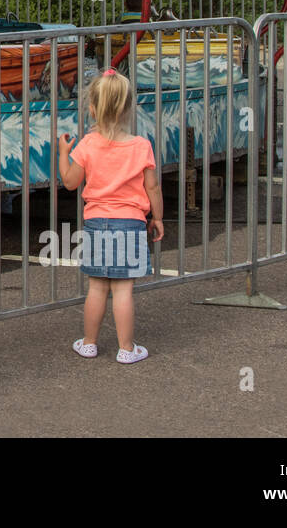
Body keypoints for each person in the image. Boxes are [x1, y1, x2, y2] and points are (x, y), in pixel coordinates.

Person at [56, 69, 164, 364]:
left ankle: (89, 342)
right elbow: (152, 187)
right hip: (130, 221)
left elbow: (69, 182)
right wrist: (158, 218)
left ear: (92, 108)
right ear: (129, 107)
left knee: (97, 287)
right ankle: (126, 349)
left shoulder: (87, 144)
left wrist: (63, 152)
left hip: (96, 222)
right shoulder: (142, 146)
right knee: (123, 289)